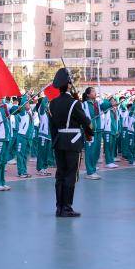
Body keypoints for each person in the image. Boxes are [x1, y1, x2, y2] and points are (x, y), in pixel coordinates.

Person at [47, 68, 92, 217]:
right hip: (73, 142)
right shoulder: (74, 103)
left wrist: (56, 141)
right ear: (68, 85)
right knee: (70, 175)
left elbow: (52, 127)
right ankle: (66, 208)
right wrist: (90, 133)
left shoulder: (52, 103)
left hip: (59, 142)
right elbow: (86, 122)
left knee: (60, 175)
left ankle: (59, 207)